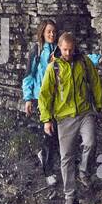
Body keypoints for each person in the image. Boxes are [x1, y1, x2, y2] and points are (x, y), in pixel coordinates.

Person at [38, 31, 102, 204]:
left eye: (70, 49)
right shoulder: (54, 68)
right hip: (64, 118)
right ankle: (70, 196)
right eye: (65, 50)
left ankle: (83, 171)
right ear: (60, 48)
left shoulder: (83, 62)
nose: (68, 53)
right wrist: (46, 120)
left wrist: (99, 105)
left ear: (74, 47)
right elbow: (45, 96)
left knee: (90, 142)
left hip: (84, 112)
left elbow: (95, 82)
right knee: (66, 157)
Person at [22, 19, 61, 177]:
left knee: (56, 134)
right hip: (41, 98)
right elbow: (29, 75)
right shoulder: (37, 51)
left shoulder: (59, 48)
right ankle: (48, 171)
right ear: (43, 34)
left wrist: (96, 59)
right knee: (49, 132)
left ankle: (46, 157)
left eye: (53, 32)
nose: (52, 34)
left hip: (58, 97)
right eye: (48, 32)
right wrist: (28, 99)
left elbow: (78, 57)